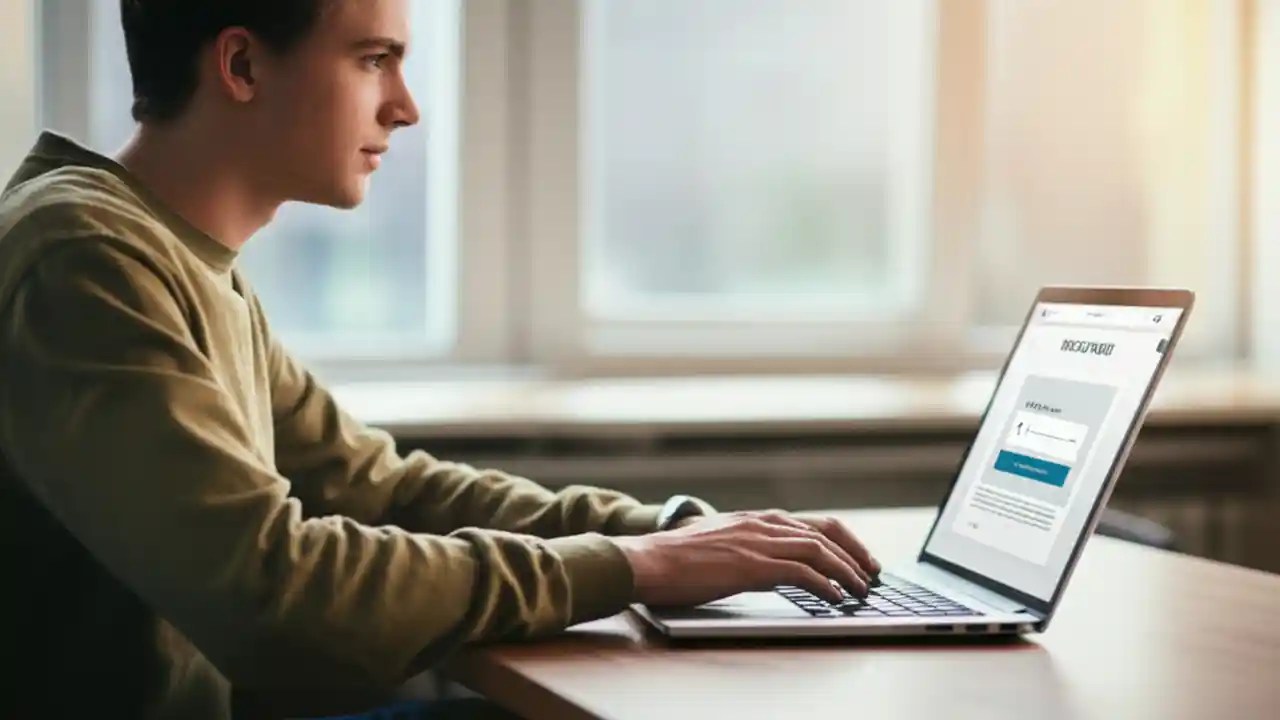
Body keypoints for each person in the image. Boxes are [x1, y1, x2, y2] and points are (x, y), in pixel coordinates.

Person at [0, 1, 880, 718]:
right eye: (373, 59)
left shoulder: (175, 255)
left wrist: (666, 530)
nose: (405, 106)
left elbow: (379, 488)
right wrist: (634, 568)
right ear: (242, 66)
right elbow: (273, 594)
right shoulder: (86, 261)